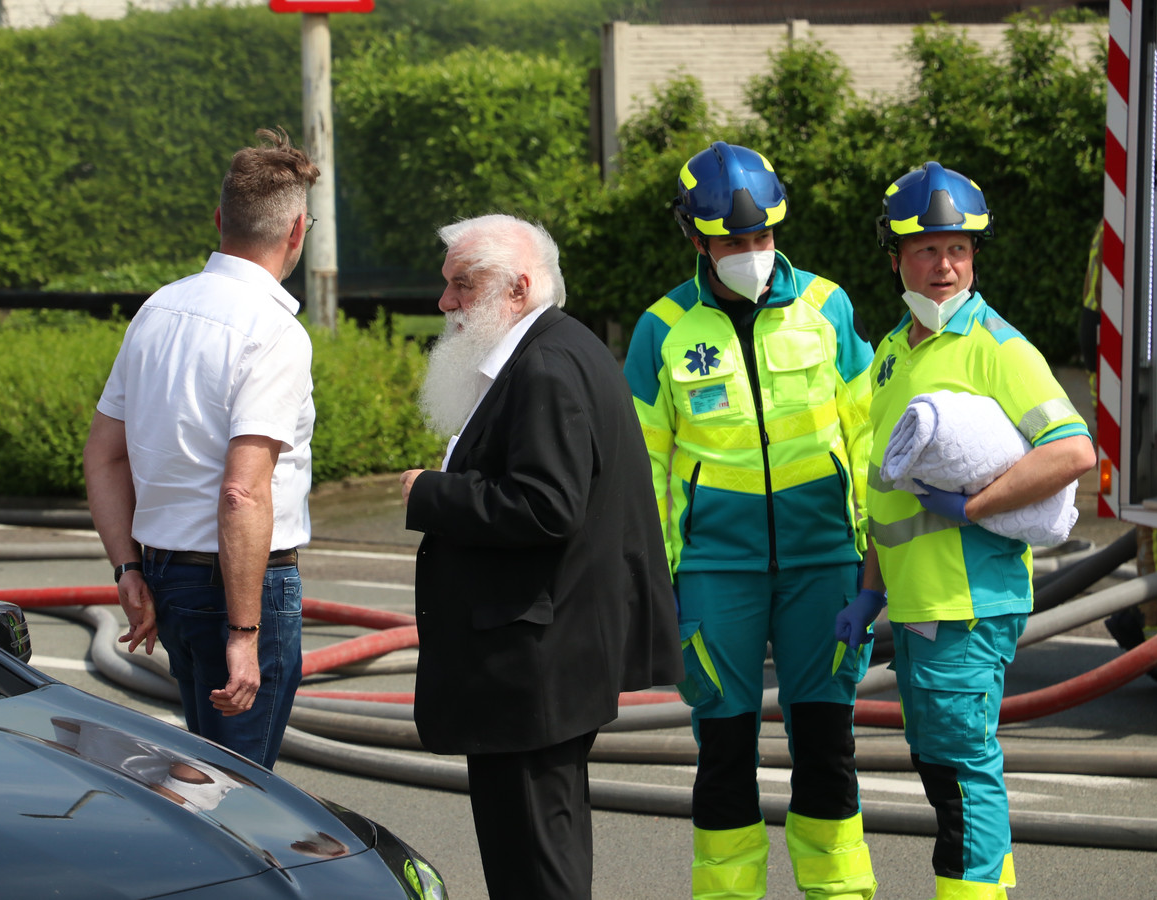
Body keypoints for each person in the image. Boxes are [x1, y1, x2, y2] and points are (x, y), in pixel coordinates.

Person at [399, 213, 682, 900]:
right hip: (540, 658)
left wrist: (429, 494)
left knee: (535, 866)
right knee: (537, 854)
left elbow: (545, 506)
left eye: (463, 287)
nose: (446, 304)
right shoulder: (553, 350)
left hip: (533, 665)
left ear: (518, 290)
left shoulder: (546, 367)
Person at [624, 141, 877, 900]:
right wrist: (656, 584)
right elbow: (646, 474)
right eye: (735, 241)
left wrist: (875, 564)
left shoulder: (829, 307)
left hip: (824, 566)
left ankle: (840, 895)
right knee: (726, 752)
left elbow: (868, 439)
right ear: (695, 237)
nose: (752, 253)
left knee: (827, 749)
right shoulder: (660, 329)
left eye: (763, 237)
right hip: (712, 576)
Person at [836, 162, 1096, 900]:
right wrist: (868, 593)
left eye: (958, 249)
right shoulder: (890, 355)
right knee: (942, 766)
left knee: (959, 771)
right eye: (926, 250)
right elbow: (887, 492)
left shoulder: (998, 347)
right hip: (920, 602)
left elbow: (1073, 451)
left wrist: (976, 507)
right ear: (895, 258)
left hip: (970, 600)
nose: (945, 265)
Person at [83, 127, 318, 770]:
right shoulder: (274, 331)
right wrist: (244, 633)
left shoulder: (158, 309)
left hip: (163, 575)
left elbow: (102, 453)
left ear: (220, 220)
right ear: (297, 231)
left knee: (201, 779)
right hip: (242, 585)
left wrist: (128, 569)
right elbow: (243, 491)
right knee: (235, 796)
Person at [1083, 219, 1157, 690]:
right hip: (1152, 403)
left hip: (1151, 396)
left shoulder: (1122, 225)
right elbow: (1098, 323)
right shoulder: (1127, 225)